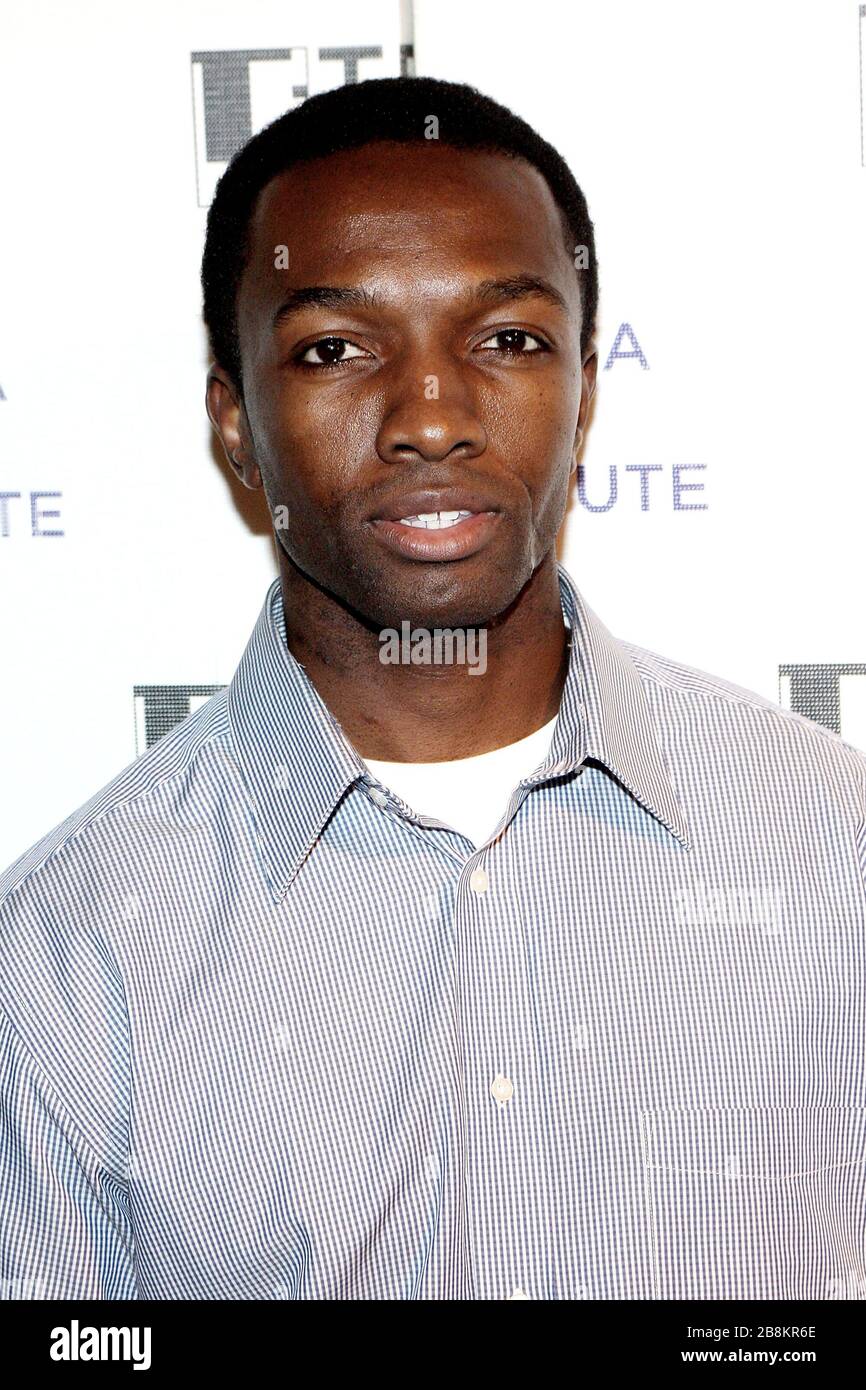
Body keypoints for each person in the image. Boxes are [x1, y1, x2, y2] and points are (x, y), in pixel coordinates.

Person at [2, 75, 865, 1302]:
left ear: (584, 396)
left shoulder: (831, 844)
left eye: (506, 339)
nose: (430, 416)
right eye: (335, 349)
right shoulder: (64, 955)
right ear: (236, 424)